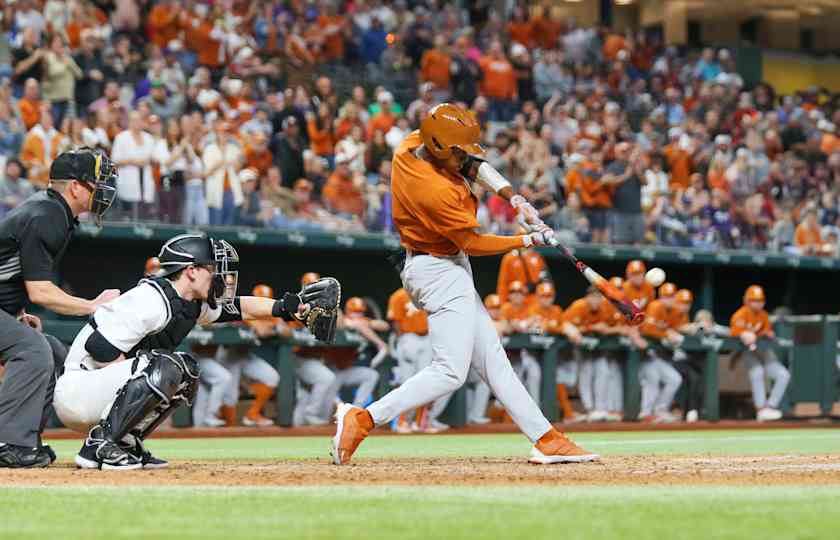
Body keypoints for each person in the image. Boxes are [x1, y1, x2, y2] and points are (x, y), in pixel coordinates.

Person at [332, 103, 597, 465]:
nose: (466, 156)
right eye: (458, 150)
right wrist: (528, 240)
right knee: (450, 371)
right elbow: (473, 243)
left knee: (492, 359)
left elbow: (472, 163)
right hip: (438, 269)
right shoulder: (434, 191)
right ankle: (362, 418)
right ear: (441, 148)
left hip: (439, 264)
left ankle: (546, 438)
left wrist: (512, 197)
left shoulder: (413, 144)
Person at [53, 234, 339, 469]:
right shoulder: (150, 298)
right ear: (191, 271)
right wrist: (132, 382)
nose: (220, 277)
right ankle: (101, 444)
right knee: (164, 366)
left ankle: (125, 441)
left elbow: (239, 307)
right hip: (79, 390)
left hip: (100, 392)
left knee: (185, 370)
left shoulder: (188, 301)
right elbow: (99, 348)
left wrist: (288, 308)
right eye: (212, 269)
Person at [0, 148, 118, 468]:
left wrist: (14, 315)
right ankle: (7, 442)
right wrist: (91, 306)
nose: (104, 189)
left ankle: (24, 441)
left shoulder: (54, 212)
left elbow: (12, 275)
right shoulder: (47, 214)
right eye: (97, 183)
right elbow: (40, 291)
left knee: (50, 351)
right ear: (75, 187)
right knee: (32, 348)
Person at [216, 284, 283, 427]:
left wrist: (275, 326)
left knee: (271, 377)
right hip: (228, 354)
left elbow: (285, 330)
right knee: (230, 396)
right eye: (261, 300)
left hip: (245, 355)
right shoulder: (245, 308)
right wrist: (273, 327)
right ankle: (228, 427)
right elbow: (262, 330)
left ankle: (252, 414)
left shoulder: (270, 314)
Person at [730, 285, 789, 421]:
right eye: (754, 300)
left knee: (783, 375)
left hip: (763, 351)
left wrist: (767, 334)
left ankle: (770, 407)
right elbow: (735, 333)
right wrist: (744, 334)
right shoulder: (740, 315)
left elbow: (767, 332)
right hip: (746, 353)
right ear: (747, 300)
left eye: (760, 300)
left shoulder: (763, 315)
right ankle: (760, 409)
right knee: (757, 372)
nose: (758, 303)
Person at [563, 286, 613, 422]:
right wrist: (590, 328)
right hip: (578, 347)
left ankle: (600, 408)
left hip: (597, 347)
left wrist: (607, 329)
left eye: (599, 297)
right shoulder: (578, 306)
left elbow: (614, 326)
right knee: (586, 373)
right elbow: (564, 324)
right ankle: (589, 408)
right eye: (593, 297)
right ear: (587, 297)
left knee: (603, 371)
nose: (596, 300)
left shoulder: (605, 308)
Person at [638, 283, 684, 423]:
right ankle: (646, 413)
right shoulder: (655, 306)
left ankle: (660, 410)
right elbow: (647, 329)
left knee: (675, 379)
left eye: (671, 297)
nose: (668, 300)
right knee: (652, 380)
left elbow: (677, 330)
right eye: (666, 297)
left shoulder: (676, 311)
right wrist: (666, 334)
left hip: (659, 355)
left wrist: (672, 333)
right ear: (661, 297)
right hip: (644, 353)